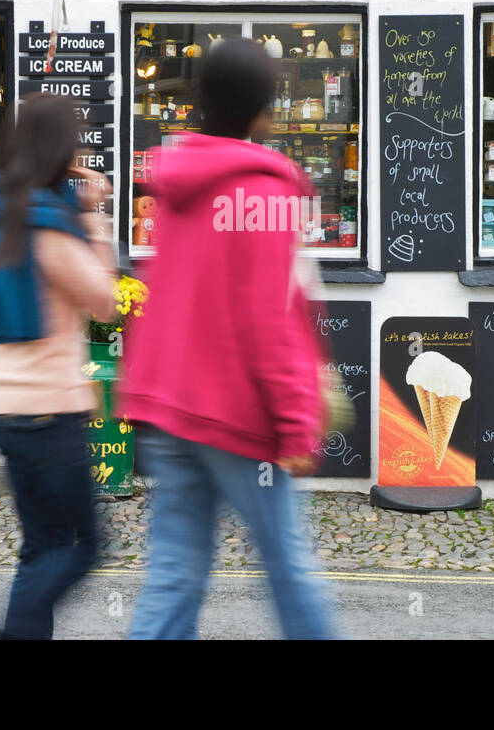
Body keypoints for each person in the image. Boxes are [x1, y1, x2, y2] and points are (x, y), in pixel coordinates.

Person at [120, 38, 335, 640]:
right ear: (264, 111)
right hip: (238, 418)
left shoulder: (176, 181)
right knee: (291, 573)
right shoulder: (265, 192)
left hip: (171, 410)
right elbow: (269, 319)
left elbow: (166, 292)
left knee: (172, 579)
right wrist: (295, 423)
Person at [0, 94, 117, 639]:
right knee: (82, 546)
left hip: (4, 408)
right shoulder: (51, 224)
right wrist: (95, 212)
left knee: (41, 549)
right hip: (49, 410)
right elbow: (104, 301)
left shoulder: (0, 207)